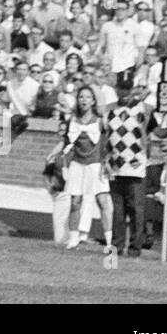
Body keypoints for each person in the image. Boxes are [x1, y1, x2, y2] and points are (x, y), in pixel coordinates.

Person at [53, 84, 113, 251]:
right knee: (75, 201)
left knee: (103, 201)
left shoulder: (100, 120)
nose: (84, 100)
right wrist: (56, 155)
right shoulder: (72, 120)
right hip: (77, 164)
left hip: (95, 164)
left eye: (87, 97)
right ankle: (73, 238)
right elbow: (66, 142)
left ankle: (109, 241)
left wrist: (105, 162)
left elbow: (108, 144)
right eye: (81, 97)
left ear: (93, 100)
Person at [104, 85, 156, 256]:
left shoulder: (144, 110)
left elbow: (155, 131)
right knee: (118, 210)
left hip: (136, 165)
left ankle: (135, 248)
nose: (124, 93)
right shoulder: (109, 109)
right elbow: (105, 136)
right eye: (121, 89)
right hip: (116, 165)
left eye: (127, 89)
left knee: (135, 209)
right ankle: (116, 247)